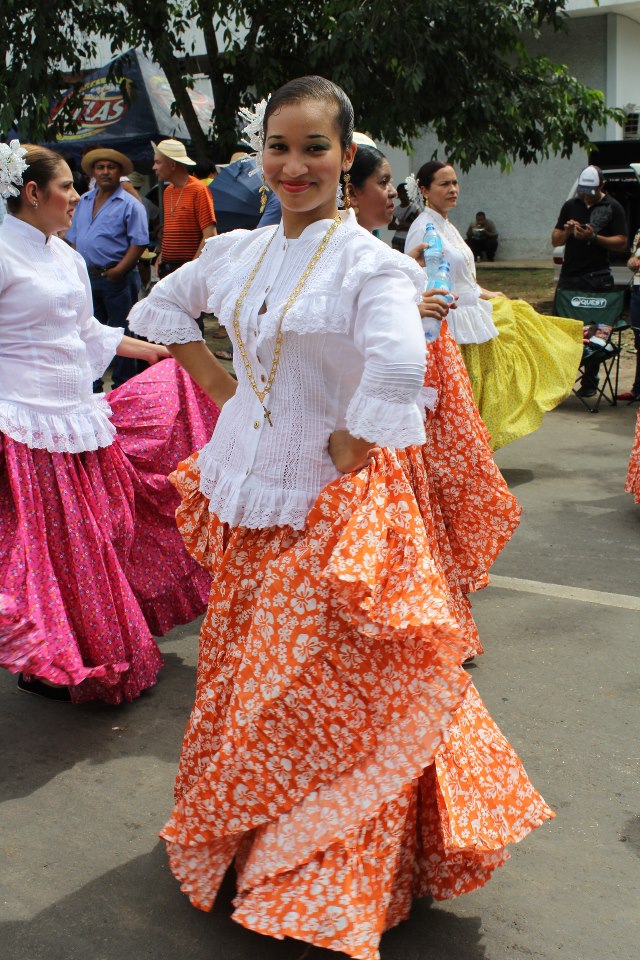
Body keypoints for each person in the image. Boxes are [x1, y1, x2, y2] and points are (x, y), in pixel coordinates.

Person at [129, 77, 552, 959]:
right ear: (259, 156)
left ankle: (324, 871)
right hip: (246, 499)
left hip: (336, 512)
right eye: (278, 147)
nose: (294, 165)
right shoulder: (237, 251)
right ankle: (254, 835)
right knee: (251, 682)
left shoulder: (376, 264)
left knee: (329, 688)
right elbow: (163, 309)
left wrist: (352, 443)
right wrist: (220, 389)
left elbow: (400, 371)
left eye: (315, 148)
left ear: (345, 156)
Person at [0, 143, 220, 704]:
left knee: (101, 536)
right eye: (66, 186)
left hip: (77, 418)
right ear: (32, 193)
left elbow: (90, 332)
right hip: (25, 425)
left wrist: (152, 353)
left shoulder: (64, 255)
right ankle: (51, 657)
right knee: (52, 552)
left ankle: (72, 649)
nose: (76, 196)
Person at [345, 143, 521, 657]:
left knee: (415, 514)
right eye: (382, 182)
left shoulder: (385, 247)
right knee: (395, 521)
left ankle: (419, 625)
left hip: (418, 384)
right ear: (349, 191)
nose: (391, 192)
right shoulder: (364, 249)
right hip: (387, 407)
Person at [405, 161, 583, 450]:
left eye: (455, 183)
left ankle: (475, 455)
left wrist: (488, 293)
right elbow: (420, 280)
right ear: (424, 190)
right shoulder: (423, 227)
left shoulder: (445, 224)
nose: (453, 189)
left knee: (483, 390)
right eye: (444, 184)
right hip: (451, 323)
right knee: (460, 398)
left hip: (470, 317)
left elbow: (463, 277)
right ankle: (460, 458)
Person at [66, 147, 149, 389]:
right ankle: (92, 384)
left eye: (111, 167)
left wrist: (119, 270)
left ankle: (122, 386)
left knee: (121, 332)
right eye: (100, 167)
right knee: (88, 332)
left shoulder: (130, 204)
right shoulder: (84, 201)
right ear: (93, 172)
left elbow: (139, 242)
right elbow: (73, 237)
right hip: (87, 279)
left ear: (120, 173)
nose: (105, 172)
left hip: (117, 278)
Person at [552, 165, 628, 397]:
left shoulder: (613, 207)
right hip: (570, 276)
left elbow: (622, 242)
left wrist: (594, 237)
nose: (586, 195)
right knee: (564, 328)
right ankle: (562, 381)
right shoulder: (571, 205)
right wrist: (566, 232)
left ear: (601, 186)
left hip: (598, 277)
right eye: (583, 190)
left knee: (595, 330)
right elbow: (554, 238)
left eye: (590, 191)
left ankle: (590, 380)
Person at [152, 138, 217, 279]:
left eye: (158, 162)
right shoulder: (168, 190)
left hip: (187, 270)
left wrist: (192, 270)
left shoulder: (199, 189)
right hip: (168, 269)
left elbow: (210, 235)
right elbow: (173, 229)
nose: (154, 167)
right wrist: (163, 253)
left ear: (173, 164)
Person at [618, 227, 640, 402]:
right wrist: (632, 261)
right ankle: (637, 388)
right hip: (638, 290)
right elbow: (634, 255)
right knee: (639, 339)